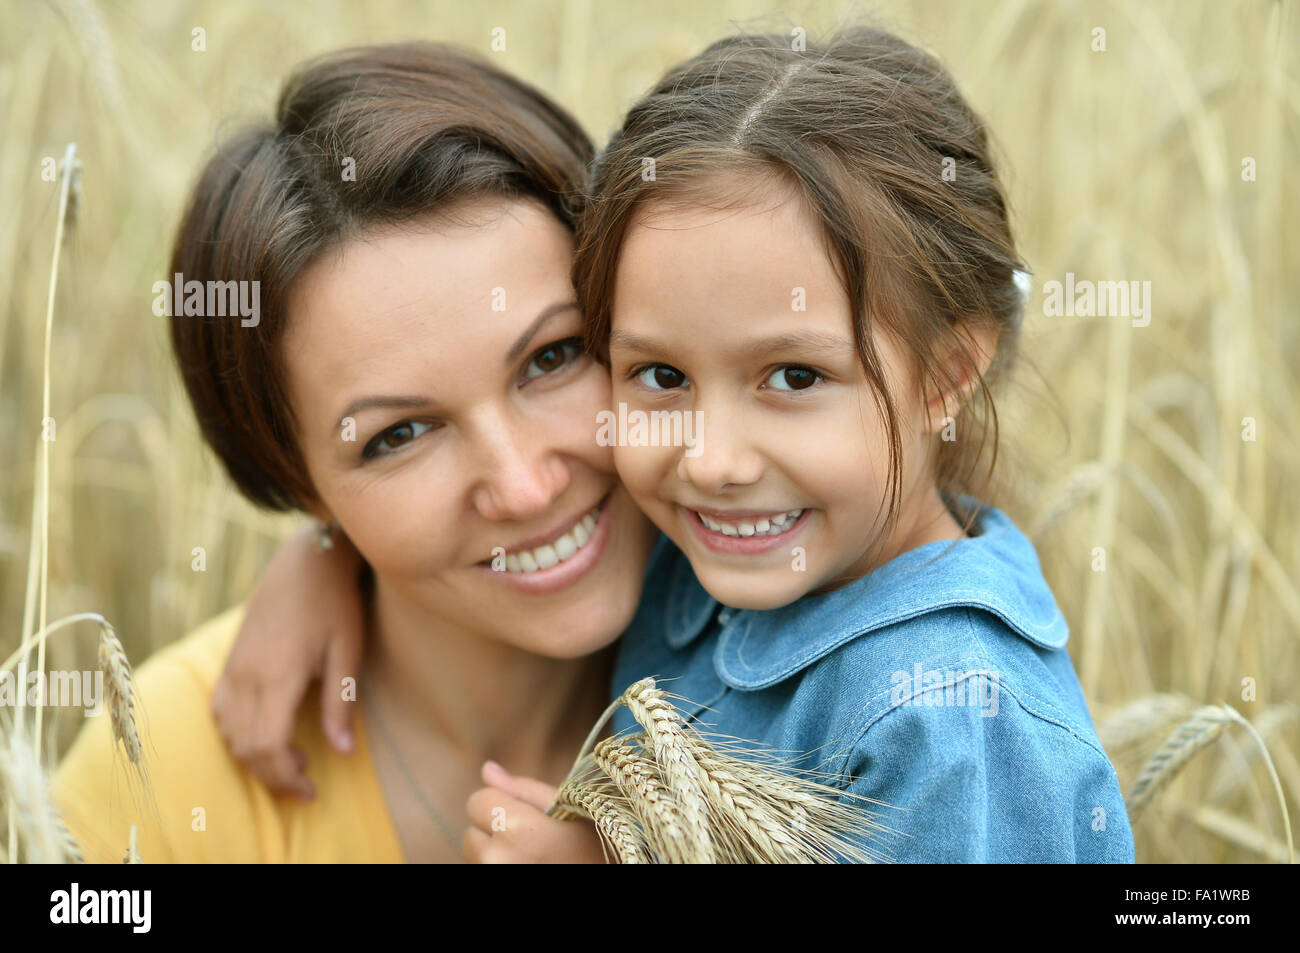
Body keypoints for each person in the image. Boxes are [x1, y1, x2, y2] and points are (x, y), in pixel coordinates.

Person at [222, 26, 1137, 863]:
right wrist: (328, 550)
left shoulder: (949, 724)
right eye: (659, 376)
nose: (709, 459)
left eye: (793, 377)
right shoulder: (712, 552)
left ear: (945, 376)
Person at [52, 41, 659, 863]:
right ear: (296, 482)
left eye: (551, 357)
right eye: (398, 435)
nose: (521, 486)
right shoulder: (156, 773)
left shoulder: (802, 634)